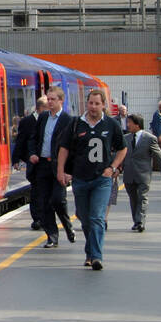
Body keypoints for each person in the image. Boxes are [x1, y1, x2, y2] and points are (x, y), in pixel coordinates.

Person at [58, 89, 126, 270]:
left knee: (96, 217)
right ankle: (90, 250)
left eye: (97, 103)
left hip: (101, 179)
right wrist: (61, 171)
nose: (93, 107)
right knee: (84, 217)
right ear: (86, 104)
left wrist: (112, 168)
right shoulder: (75, 124)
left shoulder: (111, 125)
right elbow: (64, 148)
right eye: (91, 103)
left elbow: (122, 148)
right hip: (80, 178)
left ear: (103, 104)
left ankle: (96, 256)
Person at [29, 85, 74, 248]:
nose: (49, 102)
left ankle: (68, 226)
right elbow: (34, 138)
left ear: (61, 100)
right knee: (44, 202)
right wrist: (33, 153)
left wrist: (69, 170)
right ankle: (52, 236)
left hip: (58, 166)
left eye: (53, 99)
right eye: (48, 99)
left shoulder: (68, 120)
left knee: (58, 200)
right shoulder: (42, 118)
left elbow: (72, 147)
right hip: (42, 165)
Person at [120, 114, 161, 233]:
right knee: (133, 198)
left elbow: (159, 155)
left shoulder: (149, 138)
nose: (128, 125)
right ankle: (136, 221)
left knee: (142, 197)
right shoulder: (125, 138)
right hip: (129, 173)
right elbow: (120, 155)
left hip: (143, 173)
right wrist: (116, 168)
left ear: (137, 124)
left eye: (130, 123)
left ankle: (140, 221)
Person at [13, 96, 47, 230]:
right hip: (33, 163)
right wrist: (16, 159)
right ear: (40, 108)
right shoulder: (27, 122)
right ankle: (37, 218)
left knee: (47, 192)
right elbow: (21, 141)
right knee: (36, 191)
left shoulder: (50, 120)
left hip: (47, 163)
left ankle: (45, 217)